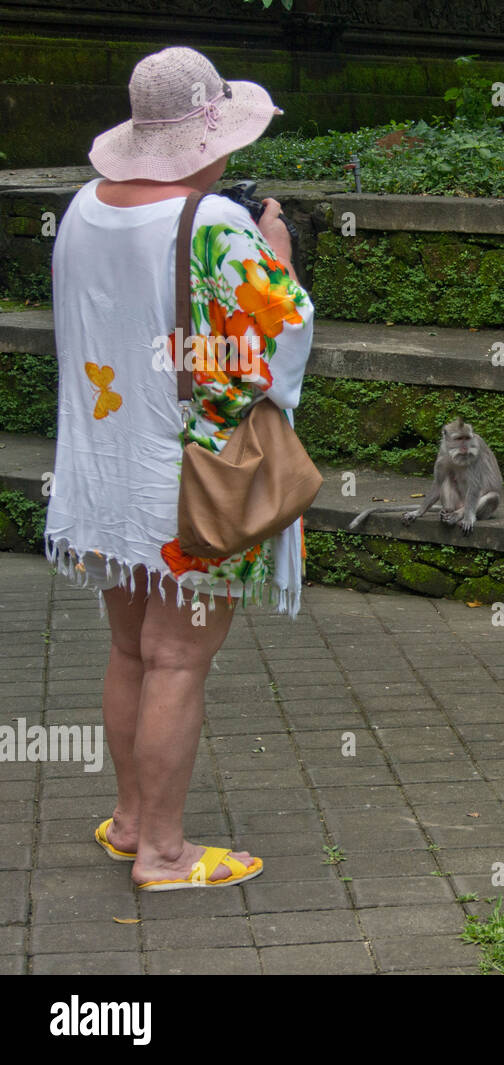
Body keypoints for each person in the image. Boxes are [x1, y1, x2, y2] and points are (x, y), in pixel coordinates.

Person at [43, 47, 314, 889]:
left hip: (103, 473)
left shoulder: (83, 208)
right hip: (187, 483)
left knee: (131, 651)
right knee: (177, 660)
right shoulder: (218, 226)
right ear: (208, 141)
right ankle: (164, 852)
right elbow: (262, 350)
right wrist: (277, 253)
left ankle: (131, 821)